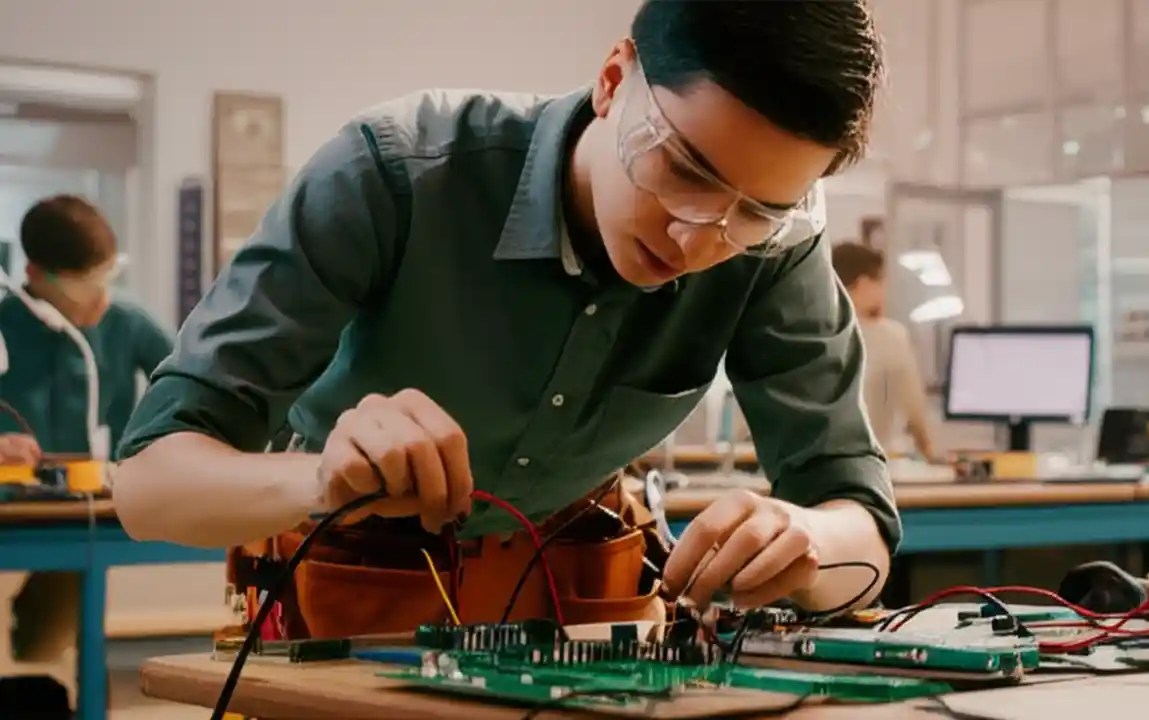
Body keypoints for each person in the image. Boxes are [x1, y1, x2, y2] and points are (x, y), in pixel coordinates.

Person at [113, 0, 898, 632]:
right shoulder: (394, 174)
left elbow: (860, 521)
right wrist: (323, 479)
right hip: (345, 604)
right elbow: (147, 487)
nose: (700, 236)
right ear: (614, 78)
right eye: (684, 169)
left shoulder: (774, 244)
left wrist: (811, 542)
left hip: (573, 618)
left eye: (756, 210)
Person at [0, 195, 173, 462]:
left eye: (106, 279)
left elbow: (198, 392)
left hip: (108, 496)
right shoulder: (5, 328)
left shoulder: (128, 322)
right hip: (19, 500)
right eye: (82, 288)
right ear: (34, 274)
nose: (101, 301)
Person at [830, 241, 940, 462]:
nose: (884, 291)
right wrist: (932, 453)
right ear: (863, 284)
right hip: (867, 465)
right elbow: (915, 412)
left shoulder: (806, 329)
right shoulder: (889, 335)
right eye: (880, 282)